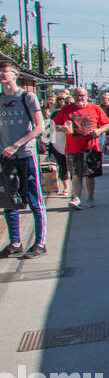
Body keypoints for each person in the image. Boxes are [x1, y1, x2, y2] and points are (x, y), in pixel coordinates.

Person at [0, 60, 47, 257]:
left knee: (35, 200)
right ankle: (15, 242)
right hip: (6, 157)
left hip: (26, 154)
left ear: (15, 75)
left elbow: (39, 127)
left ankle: (40, 243)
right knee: (9, 200)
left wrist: (15, 145)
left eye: (6, 71)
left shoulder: (27, 97)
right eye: (0, 72)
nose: (2, 75)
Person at [52, 87, 109, 210]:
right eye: (77, 95)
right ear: (73, 96)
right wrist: (61, 128)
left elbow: (107, 125)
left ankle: (90, 197)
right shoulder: (66, 109)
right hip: (72, 148)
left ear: (87, 96)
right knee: (75, 174)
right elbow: (54, 124)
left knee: (90, 174)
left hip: (91, 148)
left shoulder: (95, 108)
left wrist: (99, 130)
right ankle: (76, 198)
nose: (80, 98)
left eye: (82, 95)